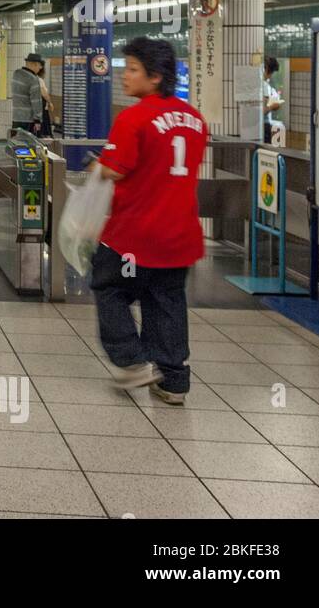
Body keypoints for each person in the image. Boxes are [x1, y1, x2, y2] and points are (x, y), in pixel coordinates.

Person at [90, 36, 207, 405]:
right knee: (167, 302)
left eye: (133, 70)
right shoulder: (195, 119)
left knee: (109, 288)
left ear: (155, 76)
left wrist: (96, 167)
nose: (124, 76)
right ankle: (173, 381)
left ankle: (131, 361)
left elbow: (113, 171)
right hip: (181, 234)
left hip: (134, 235)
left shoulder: (134, 118)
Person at [11, 52, 45, 135]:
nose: (40, 68)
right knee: (28, 145)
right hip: (28, 119)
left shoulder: (16, 74)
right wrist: (37, 120)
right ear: (35, 64)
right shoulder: (33, 79)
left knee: (16, 143)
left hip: (16, 117)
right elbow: (36, 101)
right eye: (40, 66)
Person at [262, 56, 284, 144]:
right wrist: (272, 106)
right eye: (272, 73)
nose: (271, 76)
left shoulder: (263, 84)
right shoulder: (264, 85)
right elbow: (262, 111)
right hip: (263, 125)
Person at [37, 61, 55, 137]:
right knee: (44, 126)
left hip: (39, 107)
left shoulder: (35, 79)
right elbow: (44, 93)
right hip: (42, 107)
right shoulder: (39, 80)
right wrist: (50, 102)